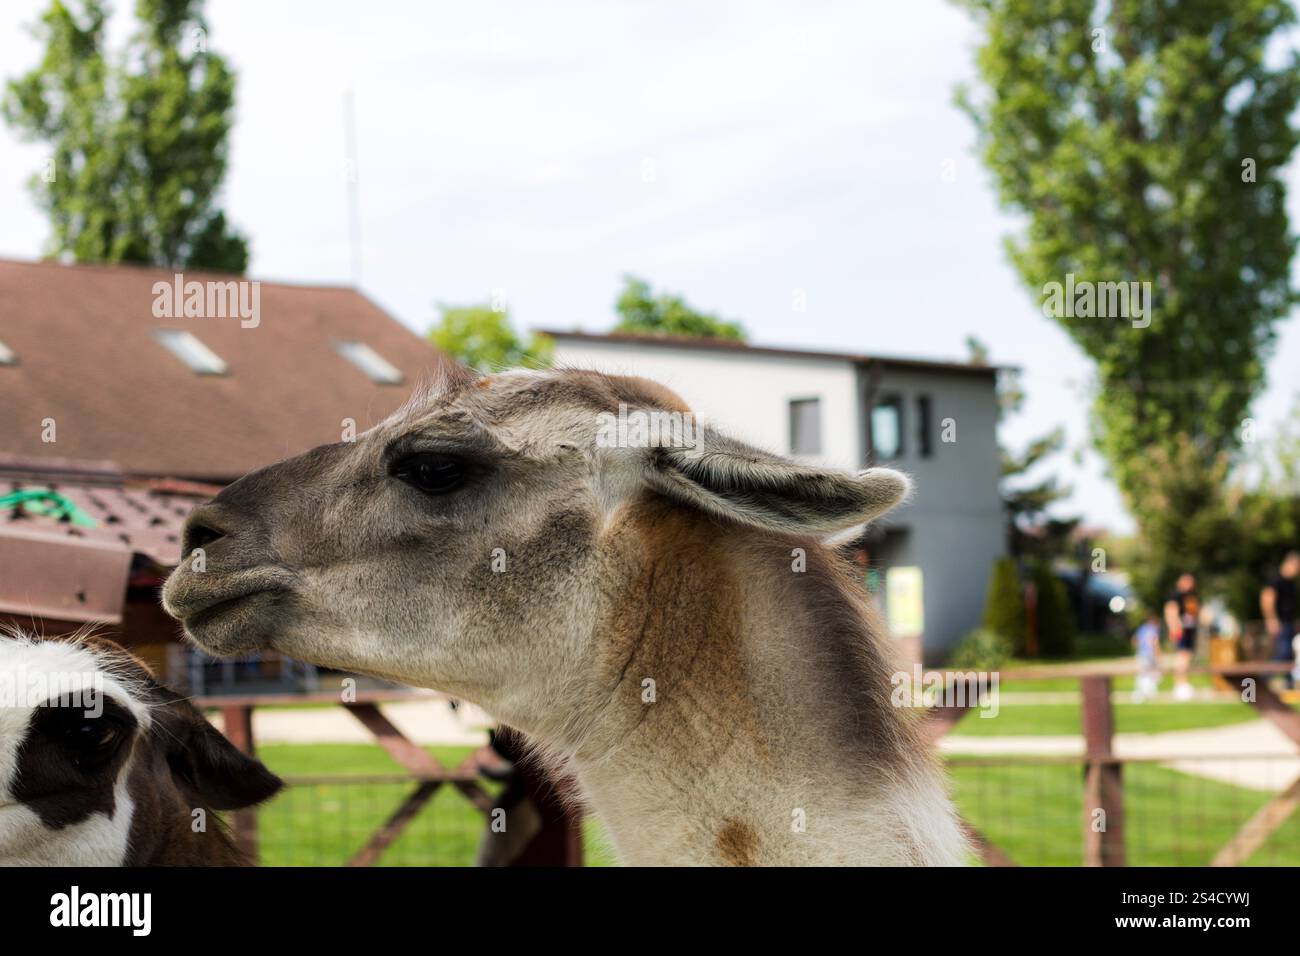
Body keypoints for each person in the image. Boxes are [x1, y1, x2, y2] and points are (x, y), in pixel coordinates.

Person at [1261, 551, 1300, 689]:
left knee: (1289, 655)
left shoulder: (1291, 583)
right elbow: (1266, 598)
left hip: (1289, 623)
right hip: (1280, 623)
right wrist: (1271, 619)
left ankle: (1289, 685)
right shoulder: (1276, 580)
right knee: (1281, 654)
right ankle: (1262, 681)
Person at [1164, 573, 1199, 701]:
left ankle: (1185, 683)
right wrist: (1174, 628)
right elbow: (1170, 611)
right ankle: (1180, 684)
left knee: (1187, 656)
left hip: (1190, 630)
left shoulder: (1192, 596)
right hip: (1181, 630)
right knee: (1182, 657)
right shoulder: (1177, 596)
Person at [1132, 611, 1162, 702]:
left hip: (1142, 653)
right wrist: (1158, 654)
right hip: (1150, 653)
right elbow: (1154, 642)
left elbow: (1134, 640)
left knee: (1143, 672)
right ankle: (1147, 691)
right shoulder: (1153, 629)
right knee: (1153, 672)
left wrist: (1138, 649)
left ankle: (1141, 692)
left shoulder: (1142, 628)